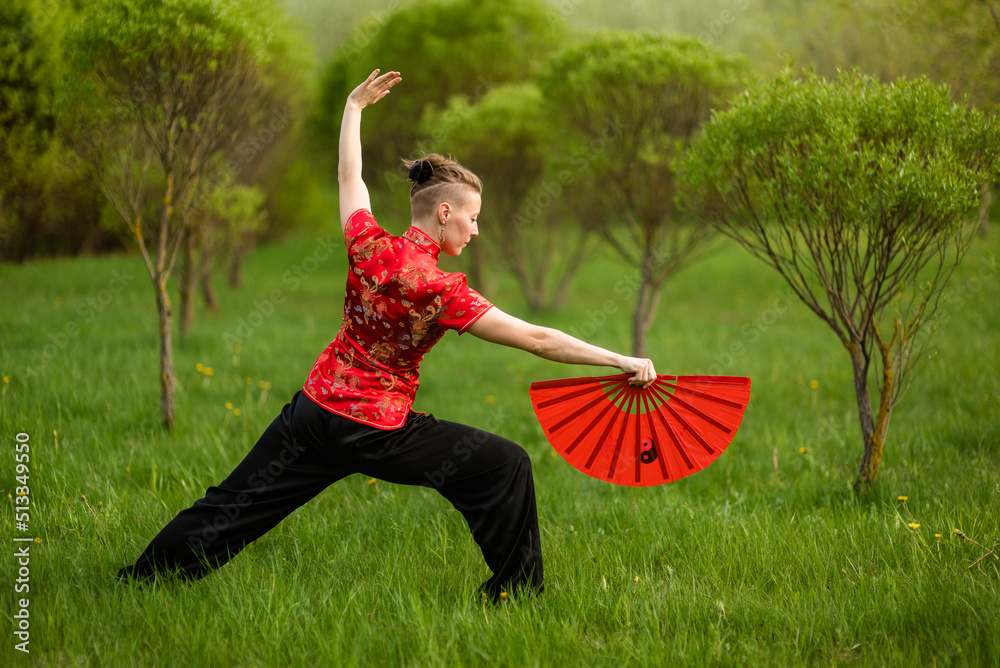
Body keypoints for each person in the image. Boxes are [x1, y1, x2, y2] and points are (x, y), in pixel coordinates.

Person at [117, 69, 657, 602]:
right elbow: (538, 339)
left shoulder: (368, 243)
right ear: (444, 213)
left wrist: (353, 109)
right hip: (377, 430)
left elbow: (349, 181)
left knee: (234, 504)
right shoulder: (442, 290)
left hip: (315, 411)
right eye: (473, 218)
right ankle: (514, 595)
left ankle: (139, 581)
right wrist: (619, 359)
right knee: (506, 463)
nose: (476, 229)